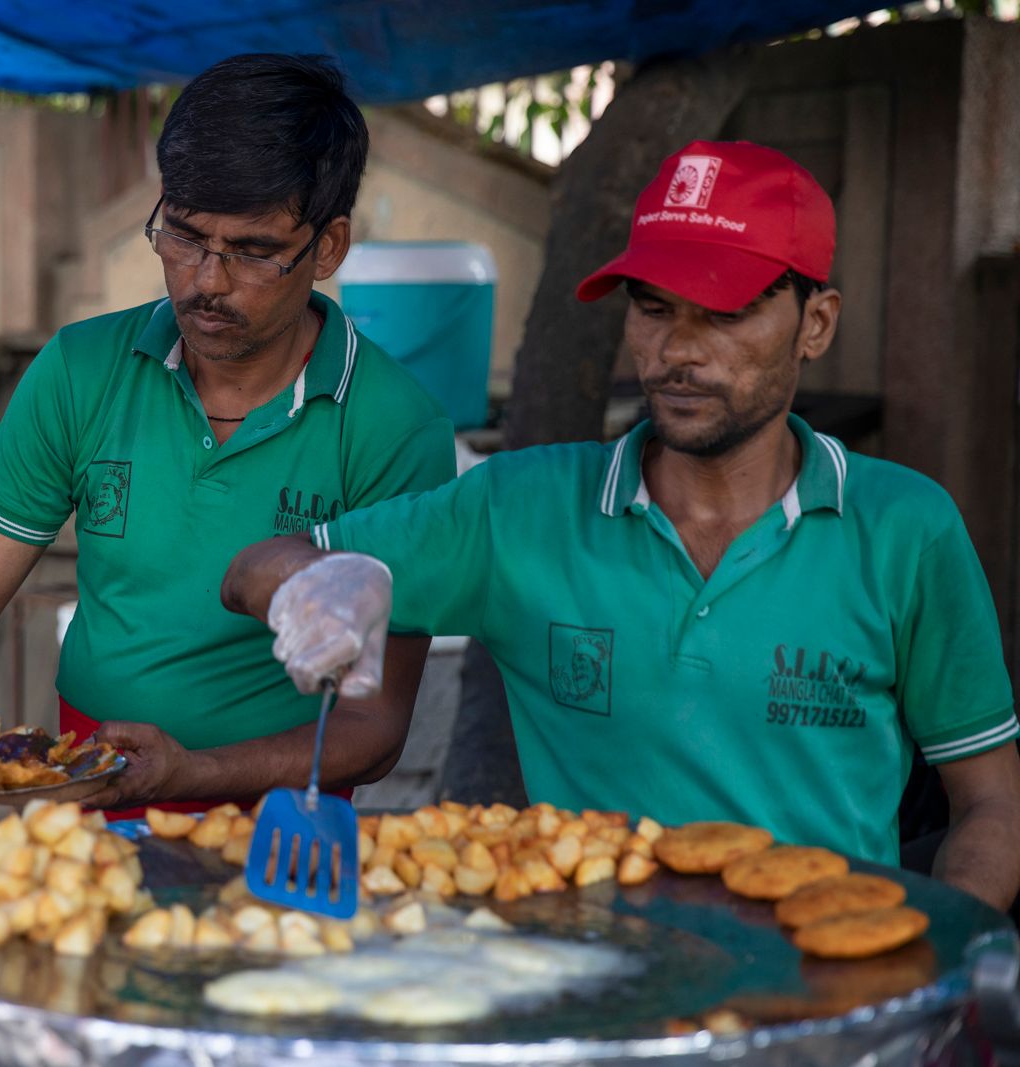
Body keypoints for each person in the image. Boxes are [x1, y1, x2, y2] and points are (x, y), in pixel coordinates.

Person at [221, 140, 1020, 912]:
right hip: (600, 994)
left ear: (816, 323)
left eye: (726, 312)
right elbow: (254, 567)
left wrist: (940, 950)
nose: (678, 349)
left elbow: (991, 802)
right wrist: (317, 589)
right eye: (653, 307)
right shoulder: (521, 509)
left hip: (827, 1013)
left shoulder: (905, 530)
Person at [0, 54, 455, 813]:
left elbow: (374, 727)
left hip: (281, 838)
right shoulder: (79, 372)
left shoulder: (394, 425)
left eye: (253, 251)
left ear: (327, 247)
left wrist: (192, 773)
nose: (206, 280)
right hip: (85, 810)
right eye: (184, 236)